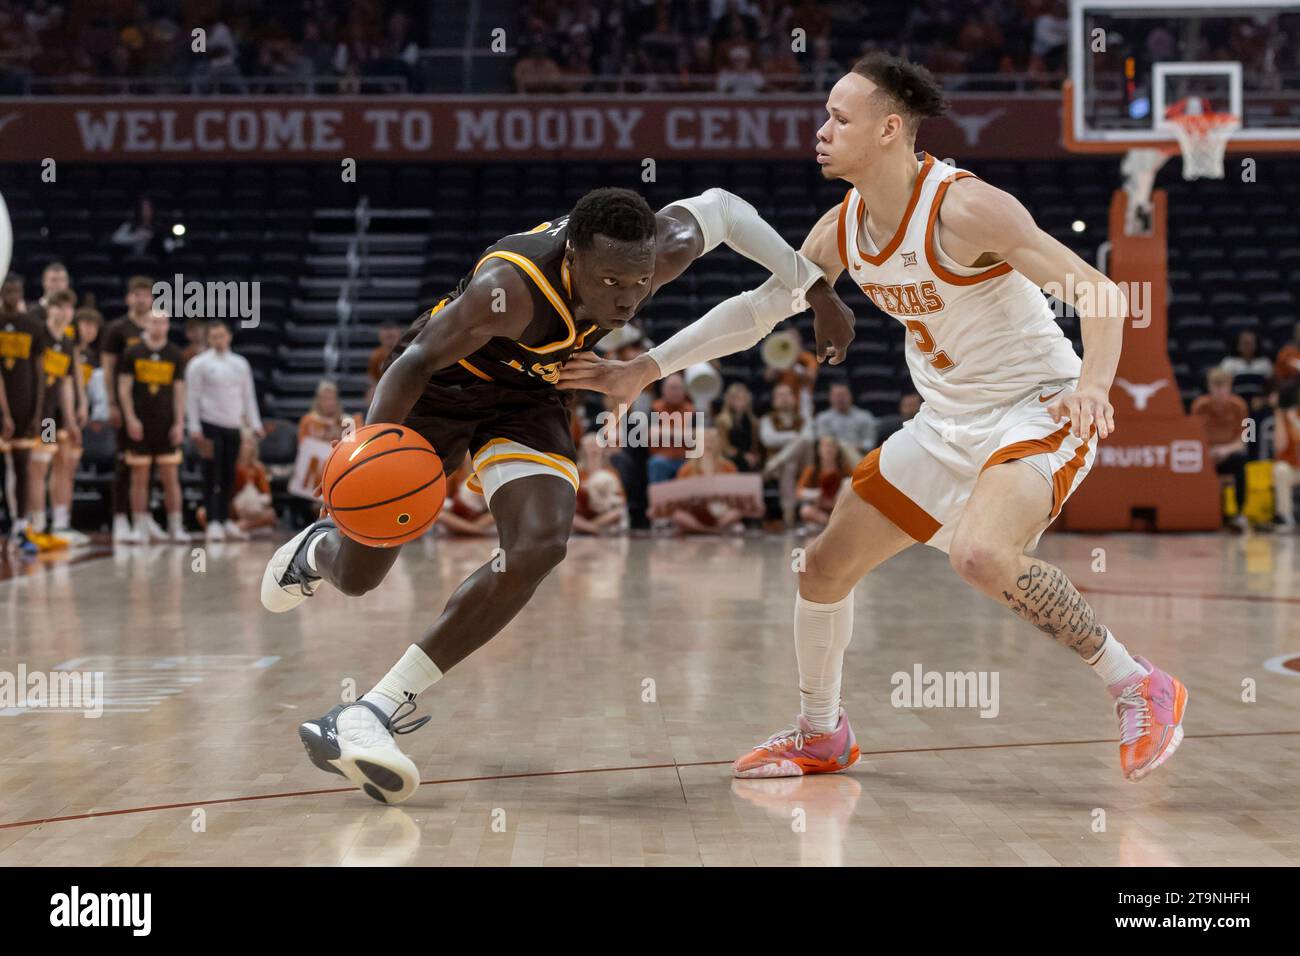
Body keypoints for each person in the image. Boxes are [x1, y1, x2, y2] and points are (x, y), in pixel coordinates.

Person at [563, 53, 1185, 785]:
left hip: (1032, 410)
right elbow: (763, 309)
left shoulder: (968, 208)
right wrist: (647, 366)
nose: (821, 130)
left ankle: (1136, 681)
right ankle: (820, 734)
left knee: (981, 557)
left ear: (890, 130)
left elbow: (1103, 295)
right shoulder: (843, 228)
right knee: (824, 568)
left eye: (839, 118)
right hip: (943, 421)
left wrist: (1094, 386)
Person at [261, 184, 853, 804]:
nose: (625, 302)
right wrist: (371, 454)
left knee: (540, 545)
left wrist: (816, 291)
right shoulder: (508, 289)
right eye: (609, 284)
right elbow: (411, 361)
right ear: (572, 257)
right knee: (359, 576)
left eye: (639, 284)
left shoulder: (660, 248)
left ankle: (371, 712)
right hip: (440, 393)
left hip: (529, 399)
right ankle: (318, 550)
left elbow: (728, 209)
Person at [185, 320, 265, 542]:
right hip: (210, 425)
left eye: (222, 335)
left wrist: (255, 423)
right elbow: (192, 396)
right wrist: (193, 425)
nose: (219, 340)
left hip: (233, 425)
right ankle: (212, 521)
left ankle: (225, 518)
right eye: (214, 336)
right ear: (209, 338)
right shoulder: (199, 364)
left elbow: (248, 396)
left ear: (229, 337)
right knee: (211, 474)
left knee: (230, 475)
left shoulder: (240, 364)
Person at [117, 310, 189, 544]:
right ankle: (139, 526)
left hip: (166, 424)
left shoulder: (175, 354)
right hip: (141, 423)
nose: (158, 326)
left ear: (168, 325)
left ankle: (175, 526)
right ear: (146, 324)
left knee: (170, 477)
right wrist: (130, 418)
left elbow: (179, 391)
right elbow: (124, 389)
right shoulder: (132, 352)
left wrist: (179, 422)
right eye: (153, 321)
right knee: (140, 476)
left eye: (162, 322)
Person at [100, 275, 155, 543]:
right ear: (128, 298)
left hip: (154, 408)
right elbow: (108, 368)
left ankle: (144, 518)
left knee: (151, 466)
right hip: (126, 405)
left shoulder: (157, 328)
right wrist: (112, 402)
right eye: (137, 294)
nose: (141, 299)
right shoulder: (117, 329)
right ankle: (120, 518)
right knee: (123, 463)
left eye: (146, 295)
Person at [25, 289, 81, 550]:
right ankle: (33, 525)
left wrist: (70, 419)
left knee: (56, 466)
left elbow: (65, 385)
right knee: (37, 468)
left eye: (69, 308)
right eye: (59, 307)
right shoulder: (39, 335)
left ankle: (58, 523)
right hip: (32, 412)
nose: (64, 313)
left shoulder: (67, 344)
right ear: (50, 310)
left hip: (51, 416)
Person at [0, 274, 45, 547]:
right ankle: (17, 519)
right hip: (7, 407)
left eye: (17, 290)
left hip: (35, 409)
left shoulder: (36, 327)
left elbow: (44, 375)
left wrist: (40, 414)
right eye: (7, 290)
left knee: (30, 465)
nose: (12, 295)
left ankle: (28, 523)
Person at [1191, 367, 1251, 531]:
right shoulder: (1199, 406)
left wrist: (1226, 450)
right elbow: (1192, 436)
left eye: (1223, 385)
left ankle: (1239, 513)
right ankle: (1200, 512)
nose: (1220, 390)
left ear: (1229, 386)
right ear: (1209, 386)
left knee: (1241, 462)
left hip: (1229, 453)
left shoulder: (1240, 405)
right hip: (1206, 456)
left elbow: (1246, 438)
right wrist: (1208, 451)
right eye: (1216, 385)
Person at [669, 426, 750, 534]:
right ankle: (710, 530)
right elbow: (678, 499)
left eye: (711, 441)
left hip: (721, 510)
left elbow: (737, 496)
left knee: (736, 512)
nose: (708, 444)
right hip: (695, 511)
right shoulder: (686, 469)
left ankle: (706, 529)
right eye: (704, 441)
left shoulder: (728, 467)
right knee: (678, 516)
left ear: (718, 444)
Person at [760, 381, 811, 525]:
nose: (784, 398)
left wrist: (789, 439)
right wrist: (795, 436)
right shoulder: (767, 419)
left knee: (805, 440)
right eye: (780, 395)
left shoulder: (803, 419)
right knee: (790, 465)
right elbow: (768, 440)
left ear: (794, 399)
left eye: (787, 394)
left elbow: (808, 438)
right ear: (774, 400)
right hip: (782, 471)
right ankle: (789, 515)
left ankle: (776, 462)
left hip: (803, 465)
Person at [572, 431, 627, 535]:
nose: (594, 449)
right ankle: (593, 528)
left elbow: (621, 500)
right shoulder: (577, 471)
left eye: (596, 445)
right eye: (590, 446)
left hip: (604, 513)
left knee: (618, 512)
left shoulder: (611, 471)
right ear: (583, 449)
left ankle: (588, 528)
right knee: (569, 515)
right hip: (583, 513)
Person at [647, 372, 695, 483]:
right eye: (673, 388)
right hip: (662, 457)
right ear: (664, 390)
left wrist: (665, 433)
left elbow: (695, 437)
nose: (676, 392)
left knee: (695, 466)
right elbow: (651, 435)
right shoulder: (656, 408)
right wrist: (682, 435)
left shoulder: (691, 410)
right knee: (657, 464)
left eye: (679, 388)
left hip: (685, 458)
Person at [797, 434, 852, 530]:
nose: (828, 449)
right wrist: (816, 494)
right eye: (825, 446)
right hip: (820, 509)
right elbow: (799, 492)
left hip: (839, 508)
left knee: (847, 482)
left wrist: (840, 495)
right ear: (819, 449)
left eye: (831, 446)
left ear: (837, 449)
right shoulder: (812, 470)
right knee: (805, 510)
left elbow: (854, 484)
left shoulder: (844, 469)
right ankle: (829, 523)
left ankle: (831, 524)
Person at [814, 381, 878, 459]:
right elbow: (822, 439)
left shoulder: (865, 416)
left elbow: (870, 443)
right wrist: (841, 447)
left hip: (859, 455)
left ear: (850, 395)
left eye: (843, 395)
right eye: (837, 395)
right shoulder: (823, 418)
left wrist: (853, 448)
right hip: (834, 457)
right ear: (830, 397)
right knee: (826, 446)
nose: (840, 398)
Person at [232, 432, 277, 536]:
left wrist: (258, 502)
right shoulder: (231, 466)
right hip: (234, 507)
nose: (246, 446)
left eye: (250, 443)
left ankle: (243, 526)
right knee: (202, 513)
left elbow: (267, 496)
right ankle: (236, 527)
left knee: (271, 515)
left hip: (254, 509)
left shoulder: (258, 468)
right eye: (244, 442)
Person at [713, 381, 761, 471]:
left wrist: (754, 457)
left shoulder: (753, 422)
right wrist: (743, 456)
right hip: (730, 458)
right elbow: (725, 447)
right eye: (736, 398)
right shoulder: (722, 421)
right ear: (729, 400)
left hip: (749, 458)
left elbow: (755, 447)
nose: (740, 401)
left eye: (743, 398)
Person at [1272, 385, 1299, 531]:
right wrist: (1279, 414)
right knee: (1280, 470)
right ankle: (1285, 517)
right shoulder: (1285, 415)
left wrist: (1295, 422)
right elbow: (1279, 446)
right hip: (1292, 468)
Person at [365, 322, 401, 406]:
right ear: (381, 337)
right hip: (382, 388)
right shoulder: (377, 356)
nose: (389, 341)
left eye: (391, 337)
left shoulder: (405, 352)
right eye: (387, 338)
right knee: (371, 393)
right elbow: (373, 379)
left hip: (401, 386)